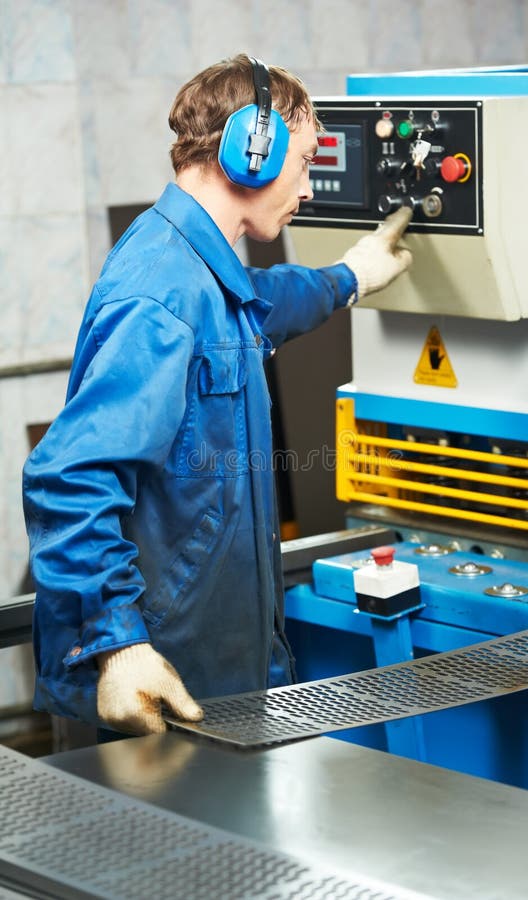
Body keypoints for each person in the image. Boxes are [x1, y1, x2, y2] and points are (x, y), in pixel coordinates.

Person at [22, 54, 412, 737]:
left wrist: (348, 276)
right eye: (304, 165)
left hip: (207, 677)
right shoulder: (162, 292)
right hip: (153, 684)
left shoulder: (204, 273)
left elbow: (263, 305)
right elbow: (70, 478)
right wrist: (118, 646)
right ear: (250, 155)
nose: (309, 189)